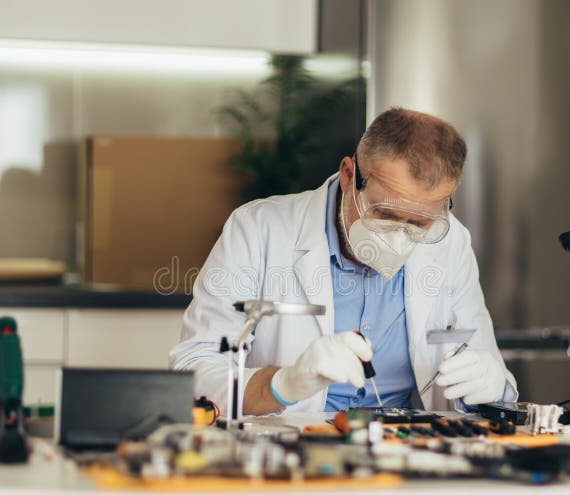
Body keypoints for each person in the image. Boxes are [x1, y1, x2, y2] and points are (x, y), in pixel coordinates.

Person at [170, 107, 517, 414]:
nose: (400, 235)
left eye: (420, 223)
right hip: (290, 448)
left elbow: (486, 371)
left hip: (407, 453)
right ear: (350, 175)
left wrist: (492, 388)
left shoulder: (451, 242)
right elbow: (193, 369)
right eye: (385, 213)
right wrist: (282, 385)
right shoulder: (259, 228)